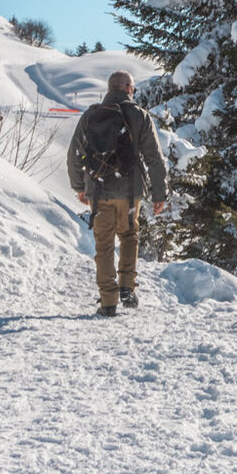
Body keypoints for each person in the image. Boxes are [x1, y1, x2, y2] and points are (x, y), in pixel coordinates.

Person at [66, 71, 166, 316]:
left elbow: (73, 155)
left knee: (104, 245)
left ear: (110, 88)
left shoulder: (91, 115)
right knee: (129, 235)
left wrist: (80, 188)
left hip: (99, 191)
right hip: (130, 191)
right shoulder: (139, 115)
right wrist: (159, 194)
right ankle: (127, 287)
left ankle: (108, 301)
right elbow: (155, 158)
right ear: (129, 89)